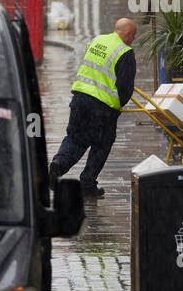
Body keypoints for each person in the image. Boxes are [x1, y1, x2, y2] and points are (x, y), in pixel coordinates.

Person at [49, 18, 138, 198]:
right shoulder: (125, 52)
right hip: (103, 107)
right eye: (133, 35)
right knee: (102, 143)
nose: (133, 39)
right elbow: (125, 88)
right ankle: (88, 184)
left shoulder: (97, 40)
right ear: (127, 34)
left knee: (75, 137)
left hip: (80, 98)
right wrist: (118, 105)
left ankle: (58, 164)